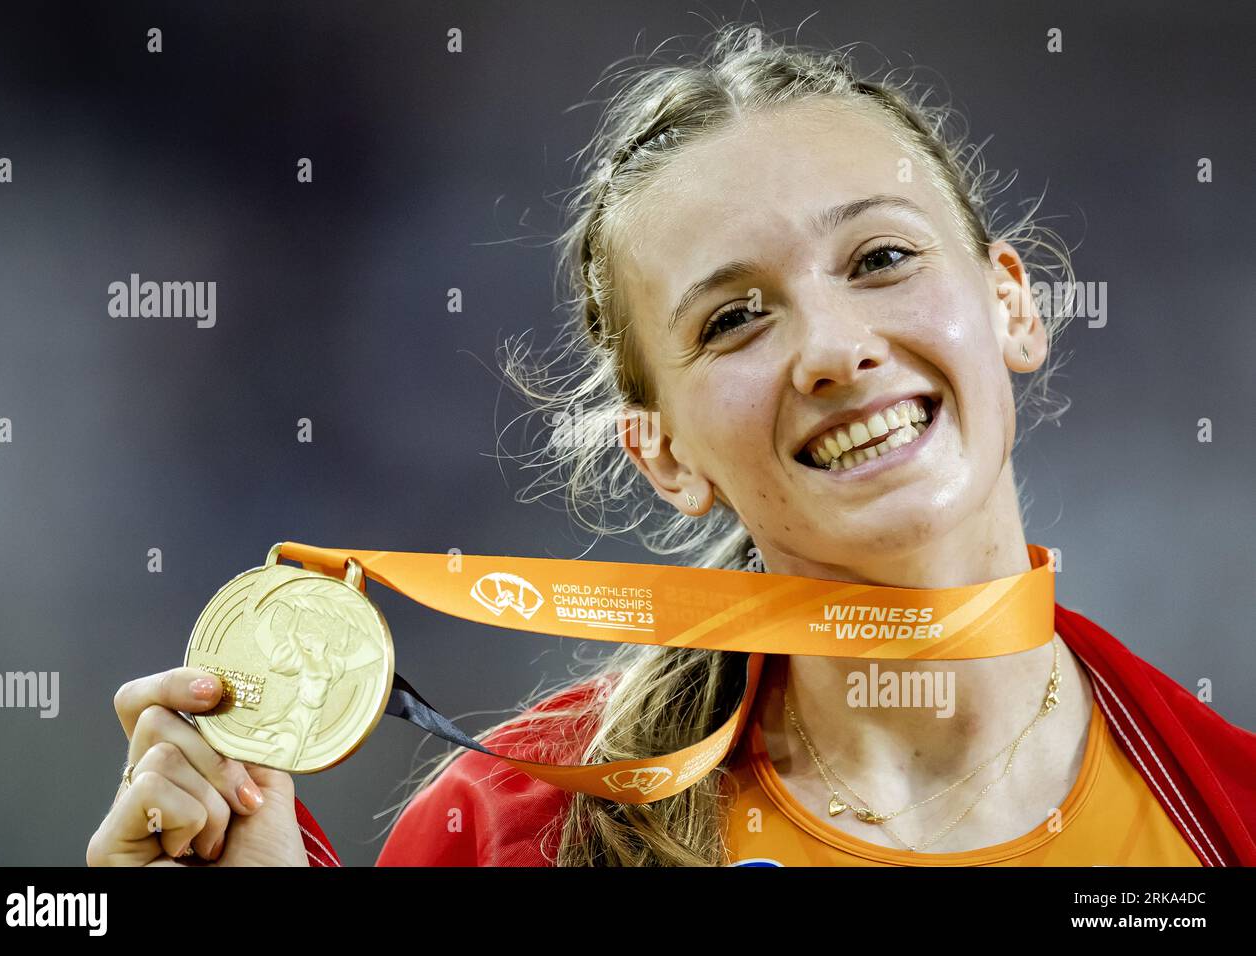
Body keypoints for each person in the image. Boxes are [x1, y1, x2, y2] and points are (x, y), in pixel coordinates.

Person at [86, 22, 1256, 869]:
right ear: (665, 455)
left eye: (882, 258)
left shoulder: (1234, 806)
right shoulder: (503, 836)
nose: (834, 350)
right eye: (734, 318)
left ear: (1010, 305)